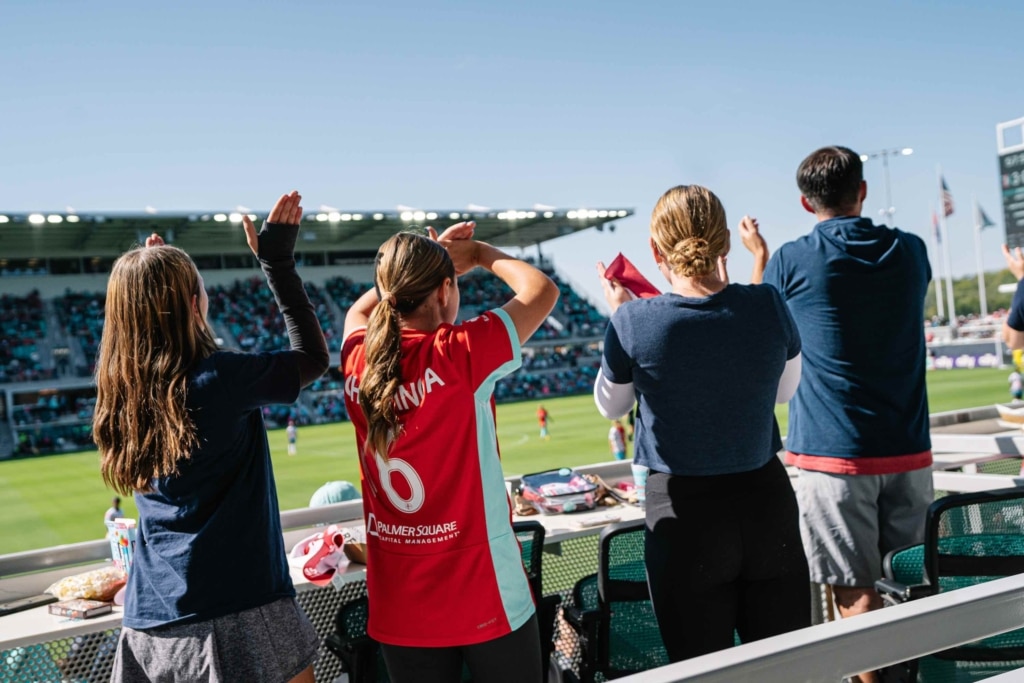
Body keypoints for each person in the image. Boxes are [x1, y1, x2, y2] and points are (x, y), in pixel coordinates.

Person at [93, 191, 329, 683]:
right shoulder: (220, 379)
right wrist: (277, 264)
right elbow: (312, 357)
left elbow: (154, 342)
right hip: (241, 608)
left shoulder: (120, 394)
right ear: (191, 305)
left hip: (150, 624)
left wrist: (151, 274)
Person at [593, 184, 809, 662]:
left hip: (683, 516)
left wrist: (621, 317)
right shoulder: (769, 304)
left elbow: (610, 406)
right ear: (726, 244)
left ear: (655, 251)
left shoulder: (633, 321)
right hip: (765, 504)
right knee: (785, 672)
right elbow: (784, 391)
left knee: (700, 671)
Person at [340, 223, 559, 683]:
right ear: (444, 290)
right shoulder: (460, 353)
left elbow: (356, 314)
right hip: (484, 593)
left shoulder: (357, 359)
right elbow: (540, 288)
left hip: (400, 604)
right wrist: (476, 253)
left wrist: (412, 267)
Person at [746, 146, 933, 683]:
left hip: (835, 456)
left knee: (854, 589)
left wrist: (758, 257)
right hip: (910, 449)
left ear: (806, 204)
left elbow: (762, 325)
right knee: (916, 586)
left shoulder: (791, 259)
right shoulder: (912, 250)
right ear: (864, 191)